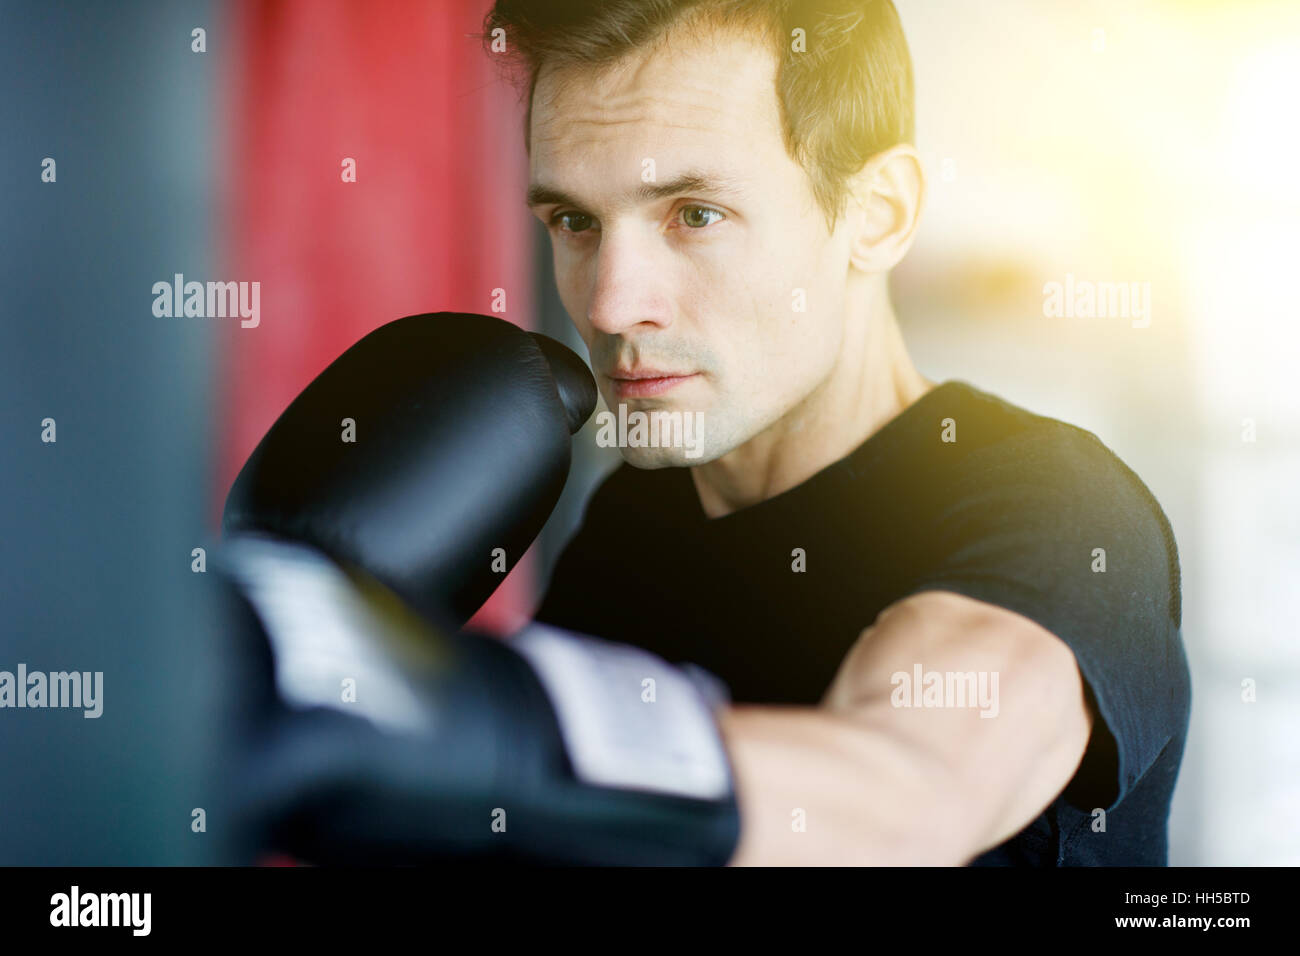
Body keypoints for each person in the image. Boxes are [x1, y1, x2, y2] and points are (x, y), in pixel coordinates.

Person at [483, 0, 1190, 865]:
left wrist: (476, 741)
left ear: (877, 213)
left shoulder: (1061, 510)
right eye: (575, 223)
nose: (607, 305)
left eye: (694, 214)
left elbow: (907, 795)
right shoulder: (635, 525)